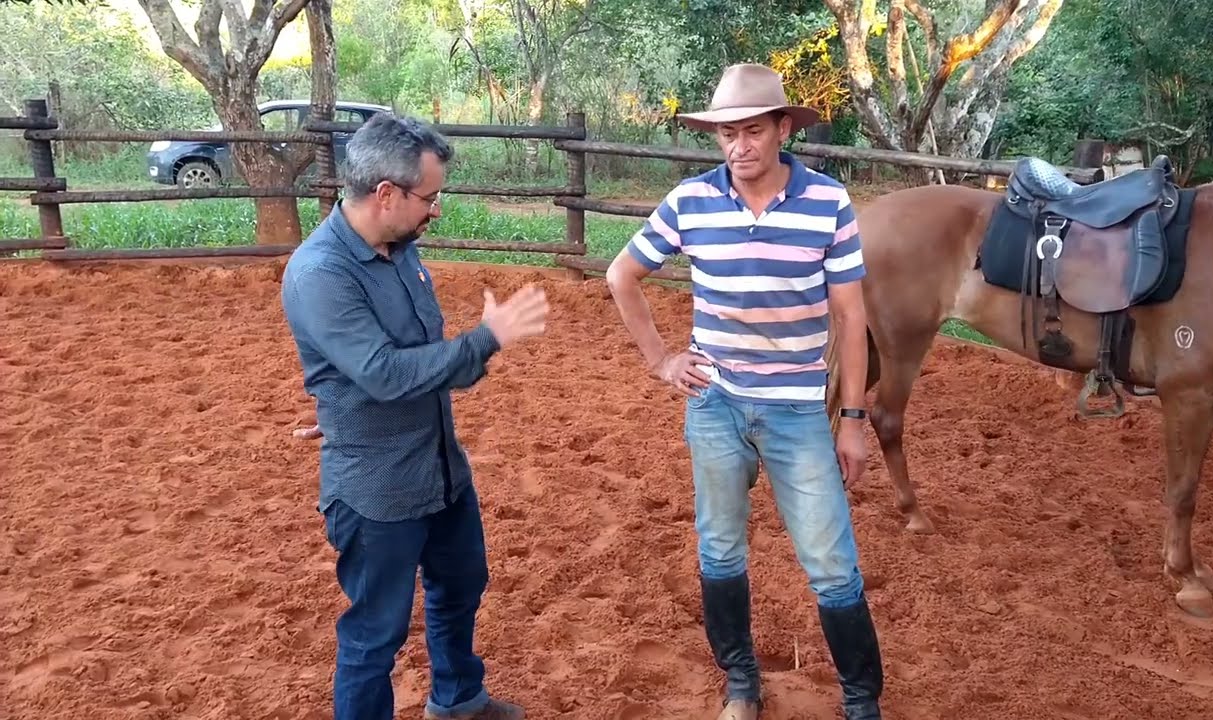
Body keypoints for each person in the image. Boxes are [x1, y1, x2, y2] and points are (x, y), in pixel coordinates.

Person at [604, 63, 884, 720]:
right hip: (716, 405)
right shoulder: (690, 201)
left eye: (752, 131)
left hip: (795, 409)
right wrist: (661, 361)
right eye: (726, 134)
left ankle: (862, 700)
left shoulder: (827, 204)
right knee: (720, 546)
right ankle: (740, 682)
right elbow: (622, 275)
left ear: (783, 129)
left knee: (830, 561)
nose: (739, 147)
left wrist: (851, 418)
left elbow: (851, 317)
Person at [280, 111, 547, 720]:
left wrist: (341, 407)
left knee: (461, 587)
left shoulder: (400, 249)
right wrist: (486, 339)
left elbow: (402, 361)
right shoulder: (320, 273)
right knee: (375, 634)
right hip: (378, 491)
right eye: (429, 196)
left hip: (440, 467)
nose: (437, 209)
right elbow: (383, 372)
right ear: (385, 195)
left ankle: (457, 699)